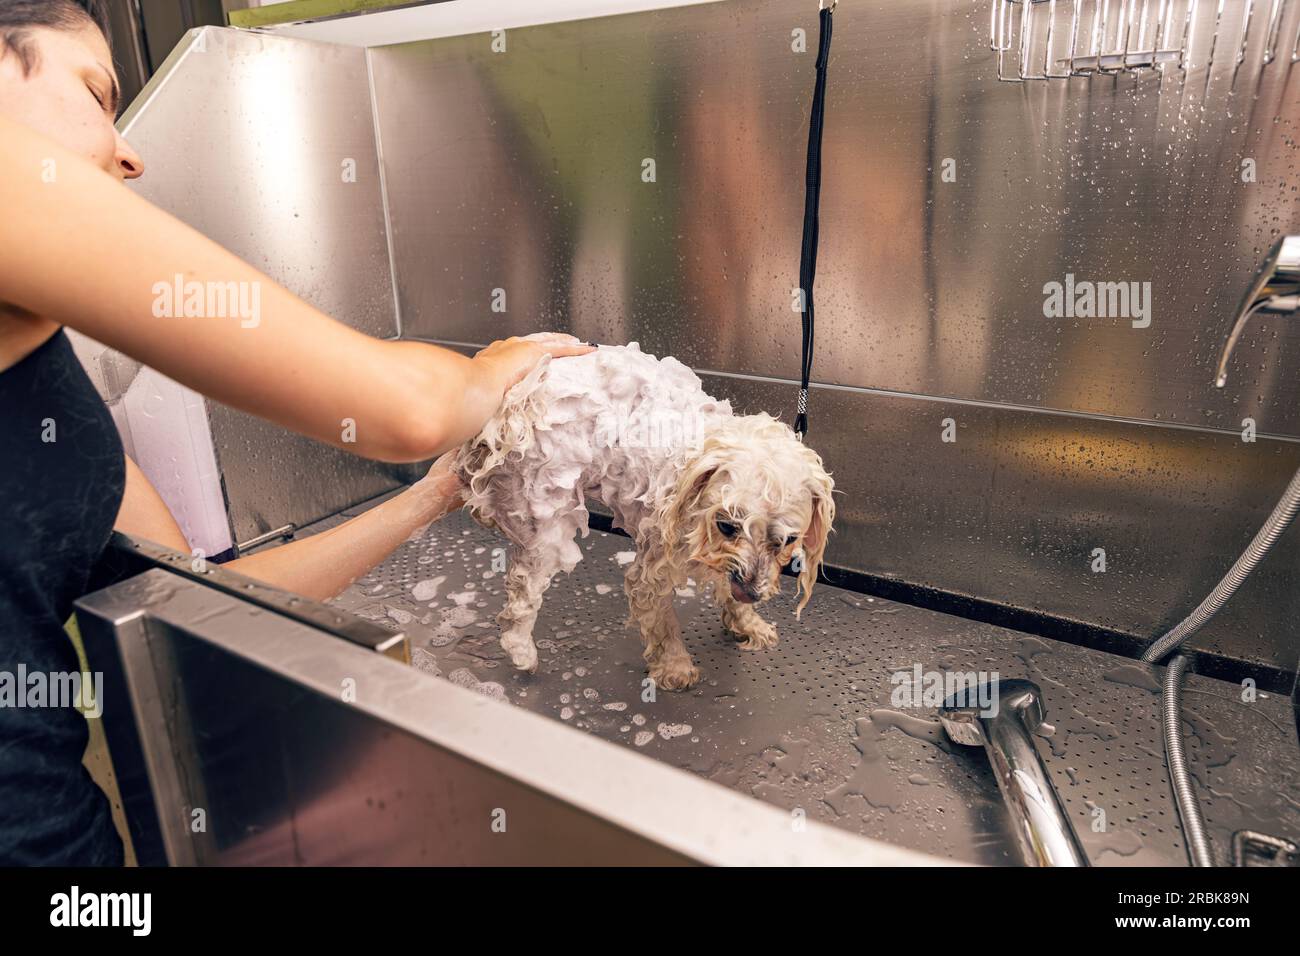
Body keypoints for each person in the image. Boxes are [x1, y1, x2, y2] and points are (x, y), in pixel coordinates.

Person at [0, 0, 592, 865]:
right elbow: (404, 410)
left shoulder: (47, 385)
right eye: (96, 94)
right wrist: (498, 368)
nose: (127, 152)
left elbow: (204, 600)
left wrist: (434, 495)